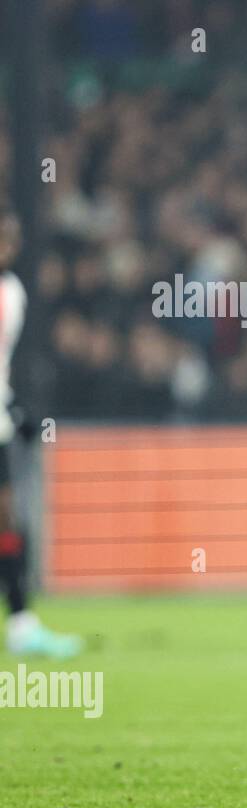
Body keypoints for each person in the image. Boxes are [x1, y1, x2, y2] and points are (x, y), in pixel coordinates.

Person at [0, 209, 83, 660]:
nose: (7, 248)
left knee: (7, 521)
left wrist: (11, 404)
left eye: (10, 240)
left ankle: (20, 624)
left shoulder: (12, 293)